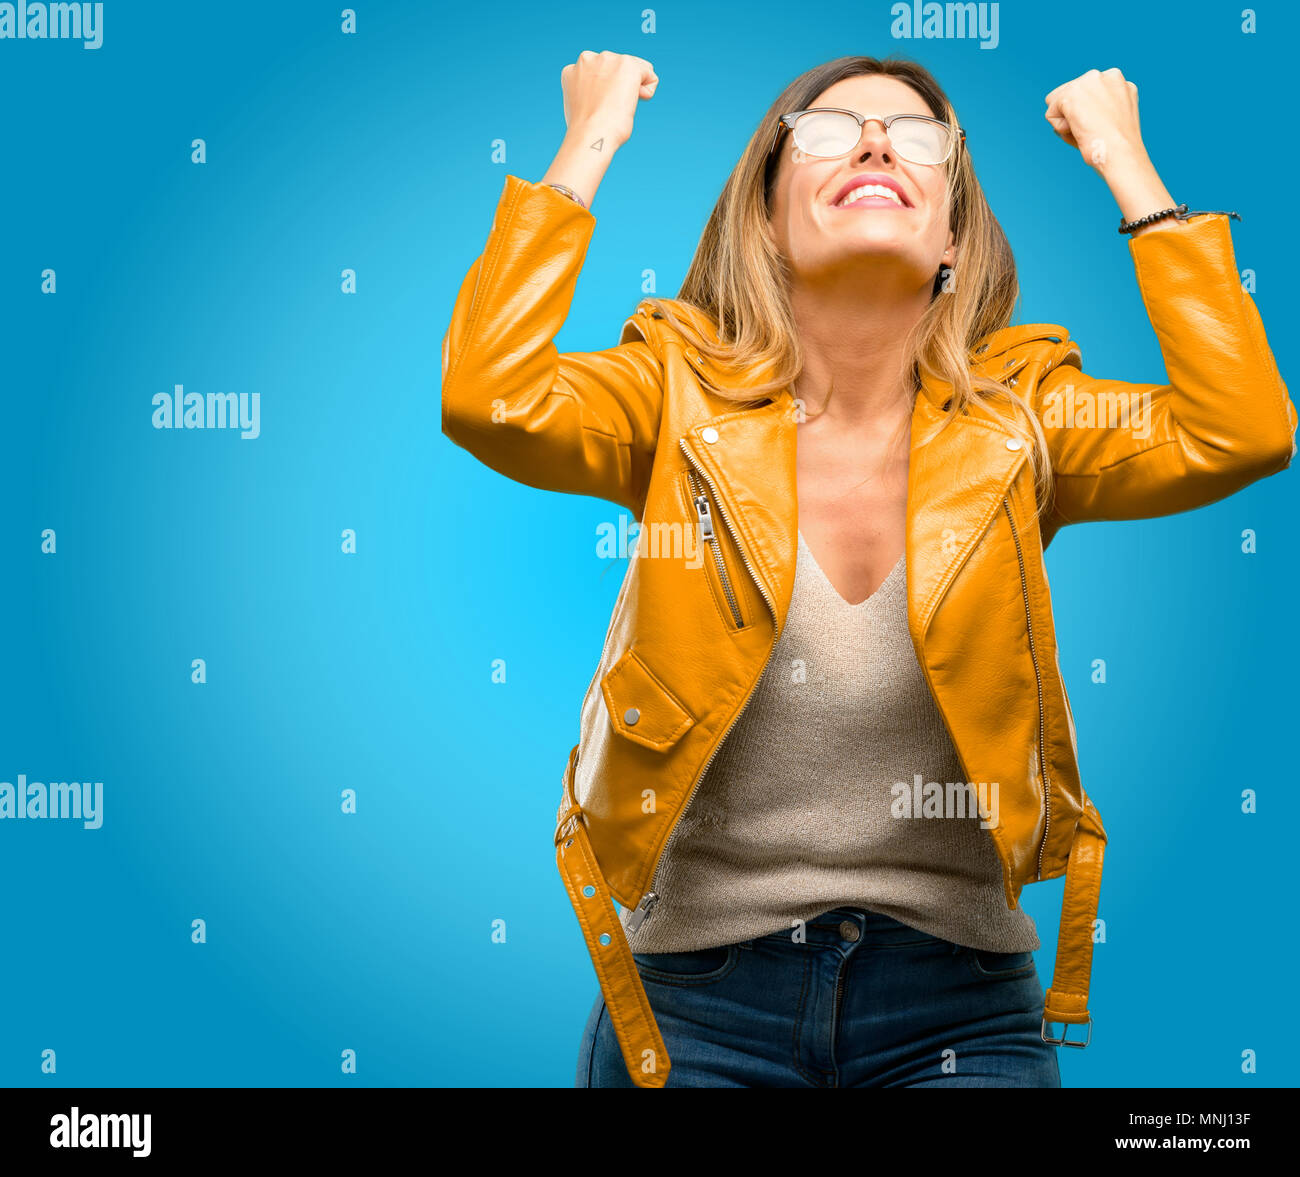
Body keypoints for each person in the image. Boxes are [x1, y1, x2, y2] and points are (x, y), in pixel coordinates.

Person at [440, 51, 1295, 1088]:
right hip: (693, 1005)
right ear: (763, 218)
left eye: (916, 135)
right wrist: (590, 142)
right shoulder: (672, 394)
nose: (879, 141)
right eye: (830, 130)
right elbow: (491, 401)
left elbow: (1240, 430)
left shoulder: (1022, 418)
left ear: (950, 236)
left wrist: (1125, 163)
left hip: (961, 1002)